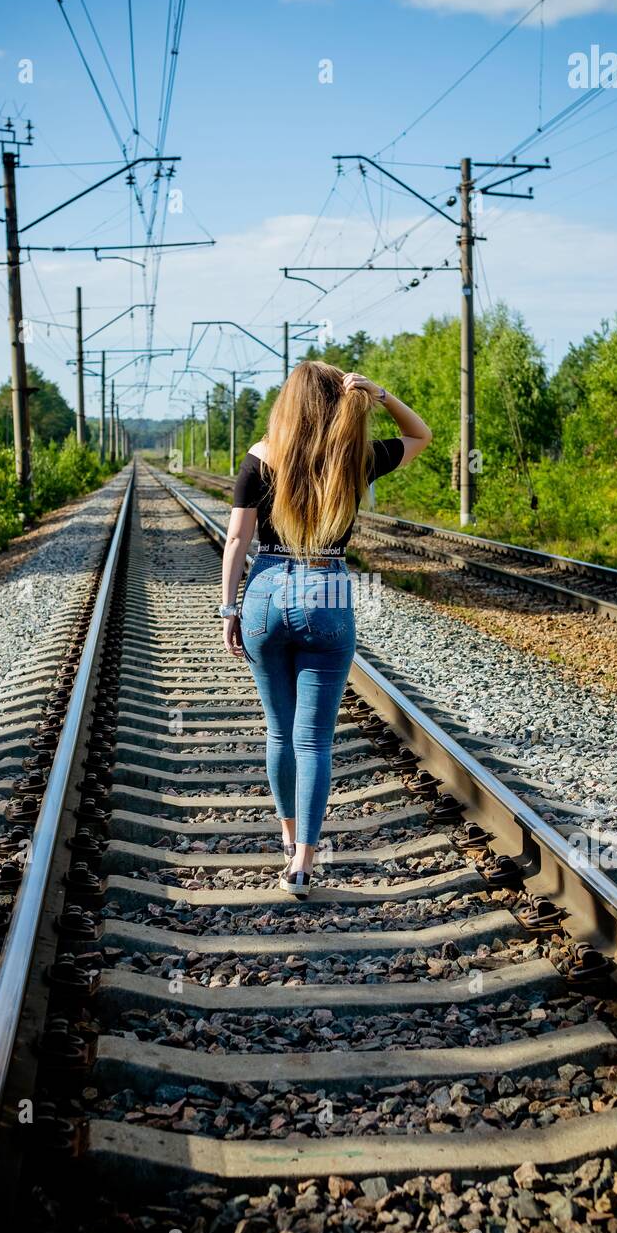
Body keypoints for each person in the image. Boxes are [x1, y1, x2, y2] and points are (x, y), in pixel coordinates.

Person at [219, 362, 432, 897]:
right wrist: (380, 394)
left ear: (288, 402)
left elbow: (236, 542)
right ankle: (304, 866)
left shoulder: (259, 457)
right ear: (337, 401)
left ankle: (286, 842)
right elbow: (420, 435)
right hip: (327, 589)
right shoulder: (355, 456)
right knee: (313, 739)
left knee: (278, 730)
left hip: (265, 591)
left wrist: (229, 610)